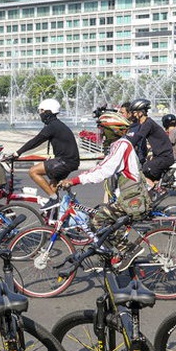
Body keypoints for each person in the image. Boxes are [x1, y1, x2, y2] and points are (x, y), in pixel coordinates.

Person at [58, 111, 149, 271]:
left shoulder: (122, 145)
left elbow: (104, 170)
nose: (101, 134)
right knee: (102, 221)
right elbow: (101, 167)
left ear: (112, 130)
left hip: (132, 199)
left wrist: (74, 180)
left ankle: (129, 250)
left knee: (97, 221)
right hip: (127, 196)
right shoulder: (118, 145)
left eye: (103, 130)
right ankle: (112, 256)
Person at [9, 98, 80, 207]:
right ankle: (55, 218)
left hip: (65, 161)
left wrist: (17, 153)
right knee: (52, 187)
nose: (40, 114)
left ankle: (54, 199)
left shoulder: (53, 126)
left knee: (33, 171)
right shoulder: (57, 125)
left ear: (48, 112)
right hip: (70, 161)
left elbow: (35, 141)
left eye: (41, 111)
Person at [125, 98, 174, 188]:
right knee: (148, 172)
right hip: (160, 156)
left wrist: (125, 144)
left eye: (135, 112)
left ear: (141, 112)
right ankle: (155, 188)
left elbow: (137, 137)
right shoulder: (146, 123)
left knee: (143, 171)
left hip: (164, 157)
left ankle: (155, 191)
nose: (133, 114)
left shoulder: (148, 124)